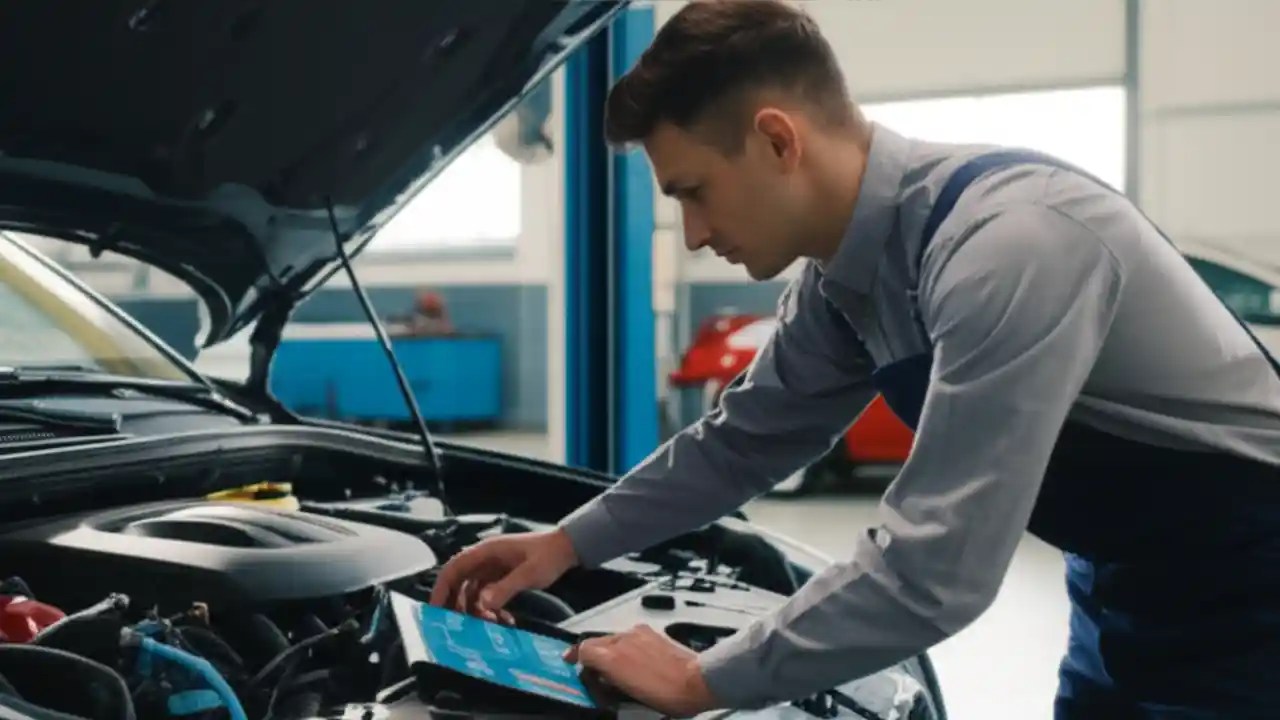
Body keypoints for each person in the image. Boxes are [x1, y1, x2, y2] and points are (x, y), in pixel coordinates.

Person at [430, 1, 1280, 717]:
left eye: (692, 191)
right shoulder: (842, 284)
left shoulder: (1009, 248)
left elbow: (934, 569)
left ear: (776, 140)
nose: (692, 233)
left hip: (1256, 593)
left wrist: (702, 678)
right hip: (1130, 591)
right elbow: (741, 443)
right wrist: (568, 543)